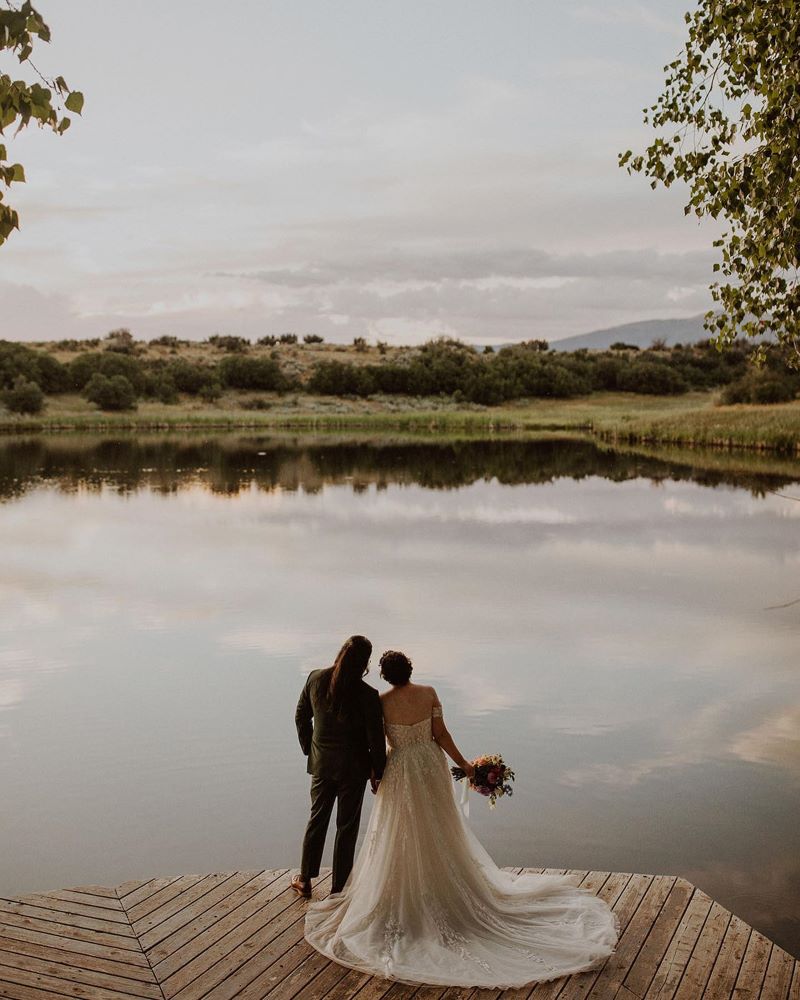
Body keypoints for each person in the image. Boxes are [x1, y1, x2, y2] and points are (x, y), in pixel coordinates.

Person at [303, 649, 619, 988]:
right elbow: (442, 735)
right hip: (428, 764)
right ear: (409, 669)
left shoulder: (379, 700)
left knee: (398, 830)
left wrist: (376, 772)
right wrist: (466, 765)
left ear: (384, 675)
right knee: (438, 826)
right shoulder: (428, 694)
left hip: (400, 769)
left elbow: (374, 742)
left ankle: (404, 887)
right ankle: (443, 882)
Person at [293, 635, 386, 897]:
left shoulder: (315, 678)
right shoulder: (368, 695)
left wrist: (310, 749)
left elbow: (301, 716)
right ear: (365, 663)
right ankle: (339, 887)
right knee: (347, 826)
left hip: (322, 766)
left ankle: (305, 879)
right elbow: (375, 739)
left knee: (317, 819)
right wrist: (378, 772)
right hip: (354, 769)